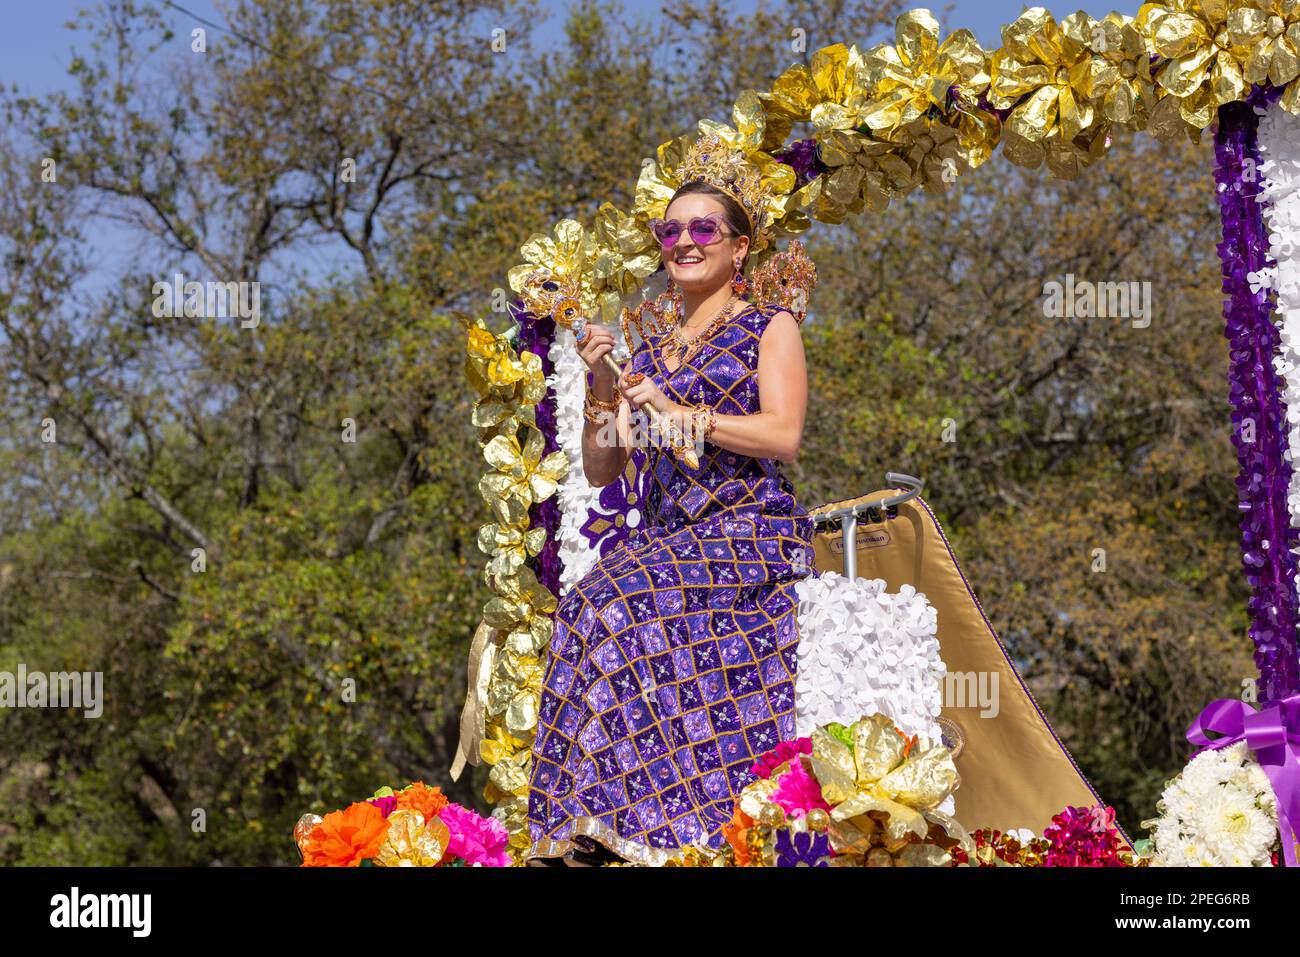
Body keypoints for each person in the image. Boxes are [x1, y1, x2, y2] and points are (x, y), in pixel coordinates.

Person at [524, 171, 815, 866]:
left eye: (703, 228)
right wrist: (600, 383)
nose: (684, 241)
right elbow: (603, 468)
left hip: (747, 527)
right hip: (663, 537)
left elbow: (783, 435)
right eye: (670, 231)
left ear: (738, 248)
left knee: (614, 601)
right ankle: (579, 828)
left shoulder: (767, 328)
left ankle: (651, 826)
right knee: (586, 604)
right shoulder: (649, 349)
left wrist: (682, 415)